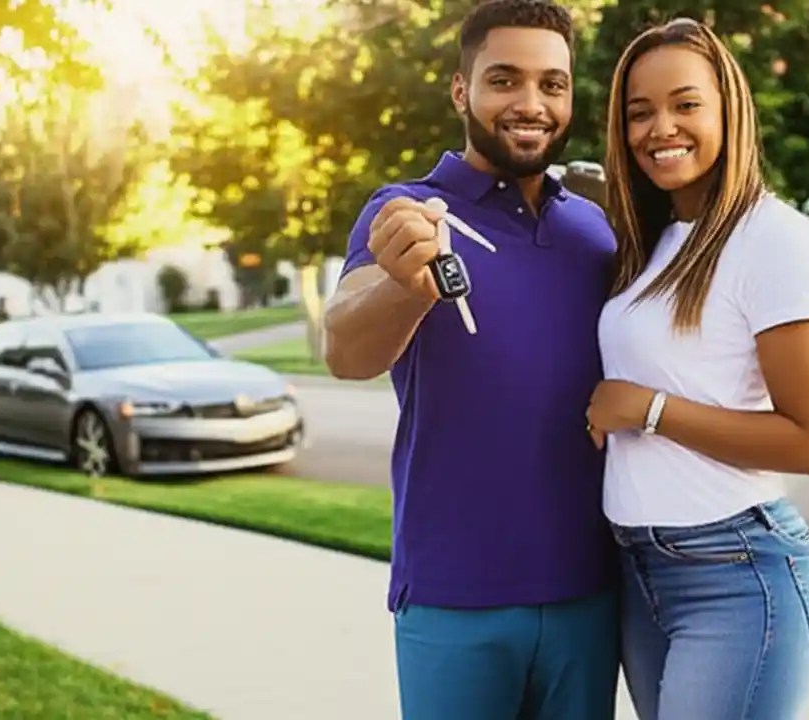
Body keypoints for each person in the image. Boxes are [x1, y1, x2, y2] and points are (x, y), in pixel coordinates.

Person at [322, 1, 620, 718]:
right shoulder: (406, 211)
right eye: (505, 80)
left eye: (553, 84)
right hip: (455, 597)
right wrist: (404, 286)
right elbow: (344, 347)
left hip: (589, 593)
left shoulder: (596, 226)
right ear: (462, 91)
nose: (531, 103)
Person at [585, 17, 809, 720]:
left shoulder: (773, 238)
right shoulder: (656, 242)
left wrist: (647, 409)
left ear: (729, 110)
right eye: (639, 113)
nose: (660, 127)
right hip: (639, 571)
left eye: (686, 104)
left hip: (736, 574)